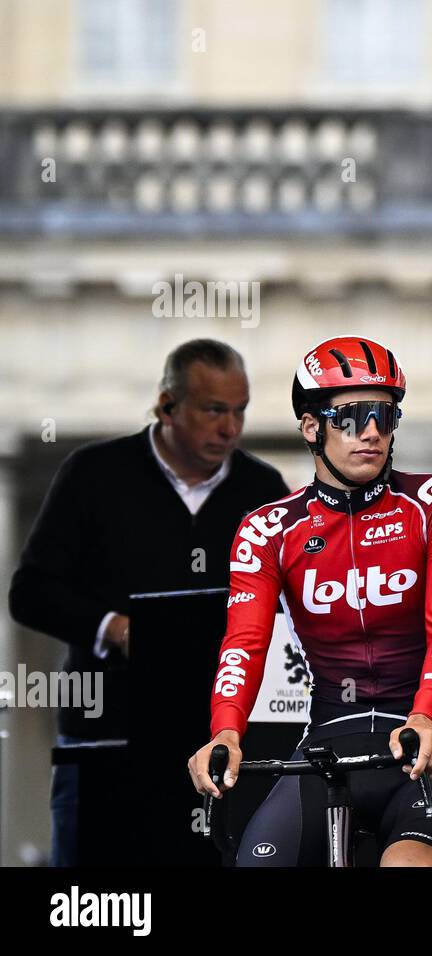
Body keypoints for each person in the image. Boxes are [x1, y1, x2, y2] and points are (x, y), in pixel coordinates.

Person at [186, 335, 432, 867]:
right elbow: (244, 645)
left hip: (420, 743)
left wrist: (428, 716)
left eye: (385, 417)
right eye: (351, 416)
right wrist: (225, 730)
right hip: (326, 747)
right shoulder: (269, 528)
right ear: (310, 427)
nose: (371, 432)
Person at [9, 338, 287, 867]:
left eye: (239, 412)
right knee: (99, 906)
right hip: (106, 740)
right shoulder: (93, 474)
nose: (230, 428)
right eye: (213, 411)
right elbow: (31, 593)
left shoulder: (261, 487)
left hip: (214, 753)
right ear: (167, 407)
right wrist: (115, 629)